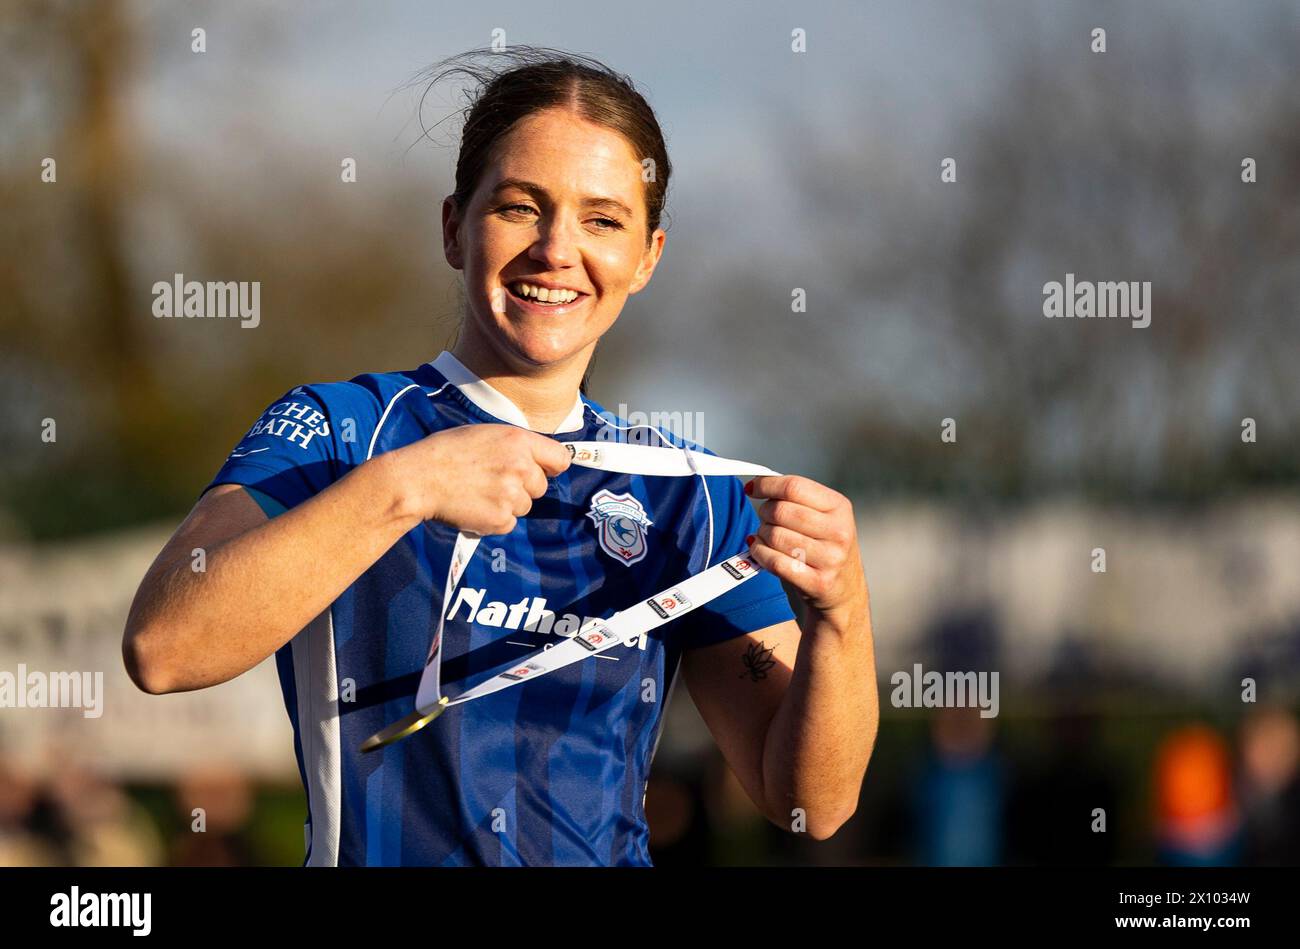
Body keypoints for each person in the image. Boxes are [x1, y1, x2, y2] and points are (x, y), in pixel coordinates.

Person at [122, 47, 878, 866]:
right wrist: (402, 489)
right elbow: (164, 648)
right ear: (455, 227)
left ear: (648, 256)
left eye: (602, 219)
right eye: (520, 207)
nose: (557, 249)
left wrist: (845, 615)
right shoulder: (341, 430)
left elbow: (810, 805)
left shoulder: (695, 498)